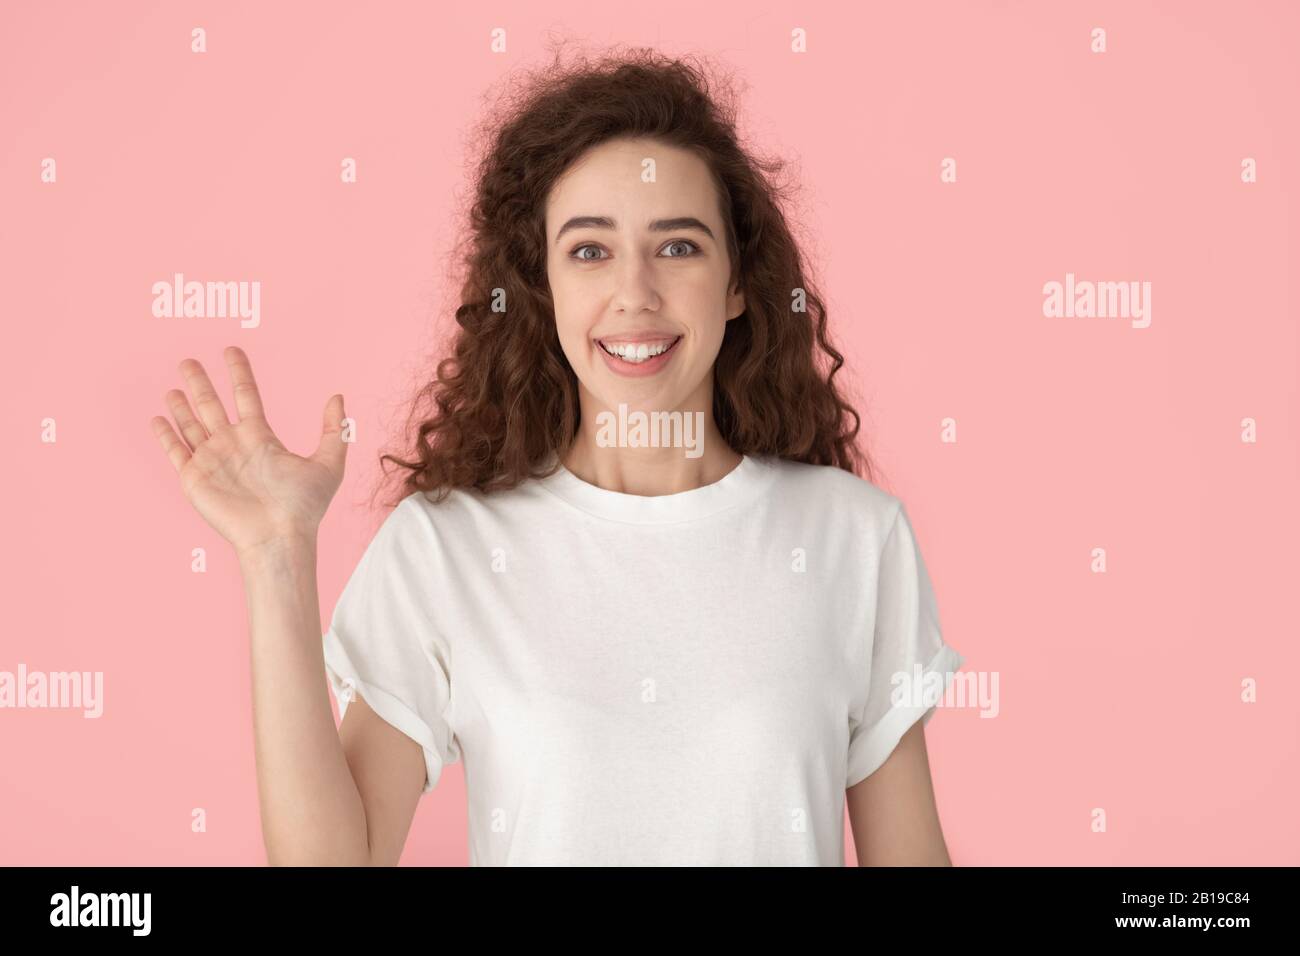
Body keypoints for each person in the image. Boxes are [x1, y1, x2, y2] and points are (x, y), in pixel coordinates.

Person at [150, 47, 965, 866]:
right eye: (588, 251)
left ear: (736, 284)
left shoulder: (854, 540)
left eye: (678, 247)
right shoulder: (449, 549)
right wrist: (275, 556)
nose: (635, 293)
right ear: (543, 288)